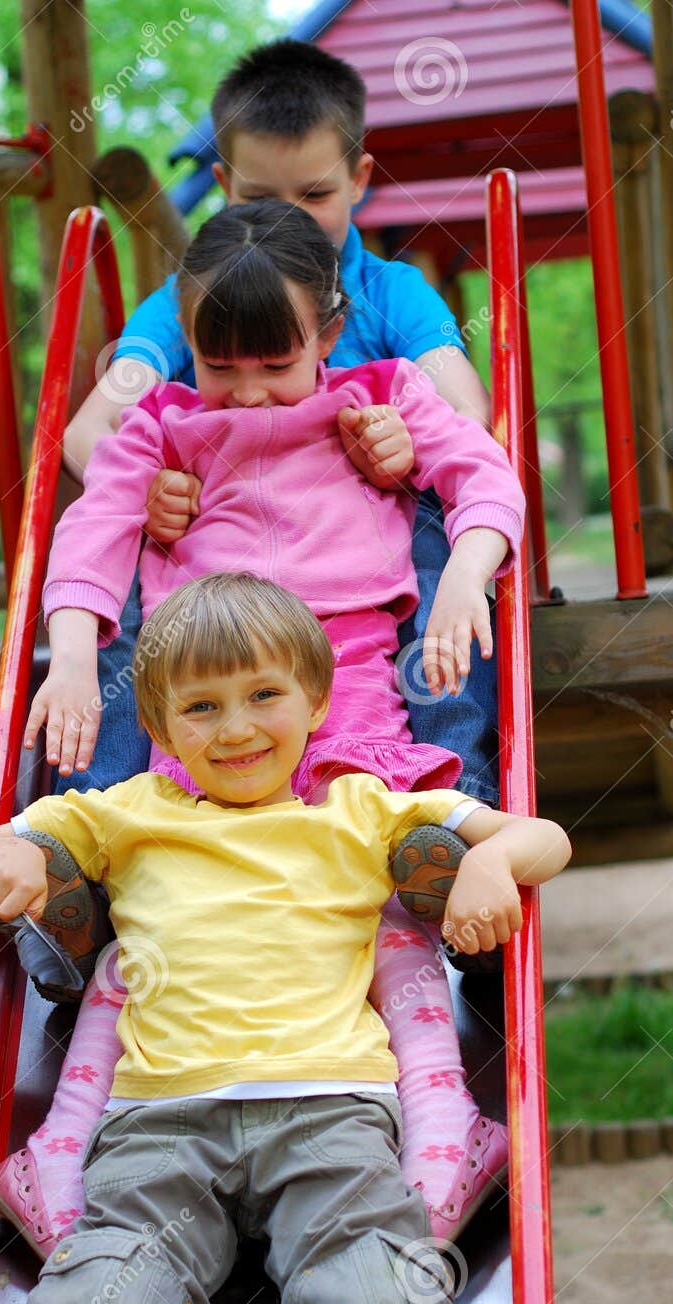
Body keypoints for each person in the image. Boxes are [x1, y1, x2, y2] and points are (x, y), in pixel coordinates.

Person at [0, 572, 572, 1304]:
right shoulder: (123, 815)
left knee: (376, 1297)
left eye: (264, 695)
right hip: (158, 1132)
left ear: (317, 702)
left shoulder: (361, 810)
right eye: (201, 706)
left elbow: (541, 837)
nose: (235, 728)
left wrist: (491, 866)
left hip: (329, 1123)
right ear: (157, 728)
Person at [0, 198, 526, 1257]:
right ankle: (56, 1152)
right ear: (188, 344)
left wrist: (466, 573)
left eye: (275, 365)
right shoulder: (165, 425)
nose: (247, 392)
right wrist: (75, 652)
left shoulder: (378, 397)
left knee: (370, 896)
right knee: (157, 913)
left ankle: (446, 1123)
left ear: (328, 332)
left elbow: (481, 472)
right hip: (212, 715)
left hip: (337, 702)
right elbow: (92, 527)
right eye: (218, 366)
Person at [59, 36, 498, 806]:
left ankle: (454, 791)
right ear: (224, 185)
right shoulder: (195, 301)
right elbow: (89, 431)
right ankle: (97, 803)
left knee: (440, 546)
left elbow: (465, 412)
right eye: (260, 197)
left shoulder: (388, 293)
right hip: (222, 541)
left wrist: (402, 451)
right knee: (120, 564)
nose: (284, 220)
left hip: (363, 535)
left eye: (314, 195)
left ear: (358, 179)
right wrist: (153, 487)